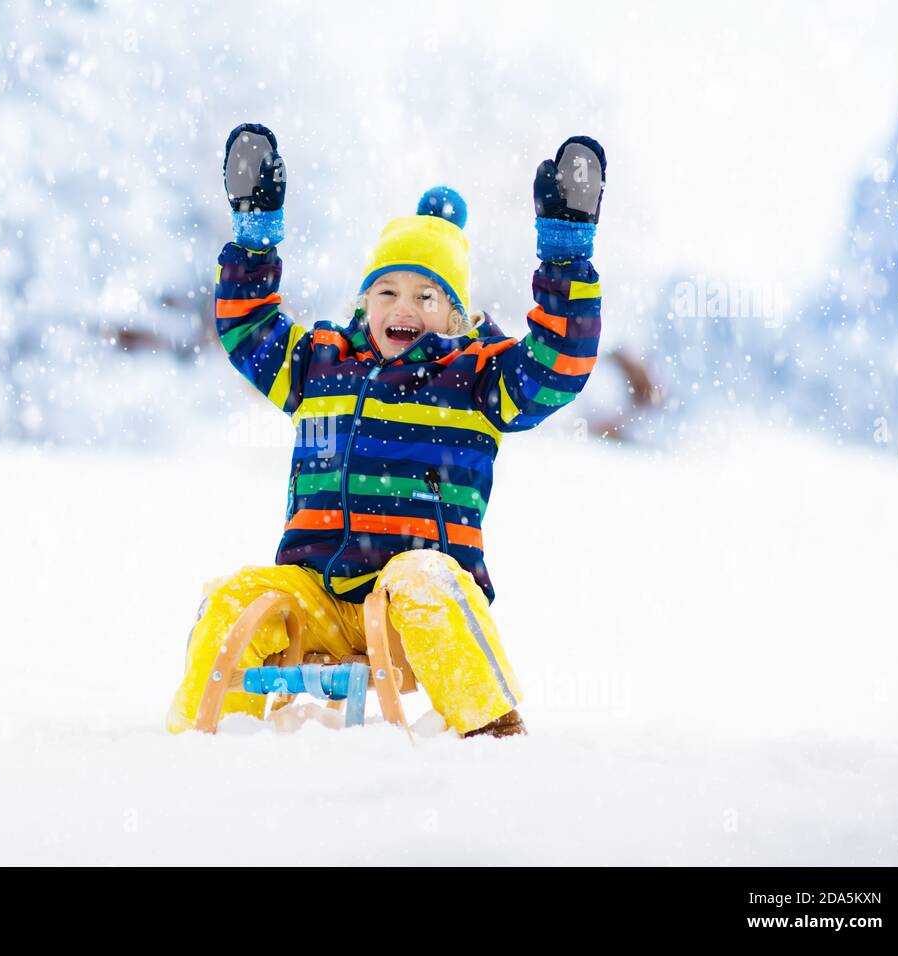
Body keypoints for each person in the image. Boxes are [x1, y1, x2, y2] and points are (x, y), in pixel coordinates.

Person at [166, 123, 605, 738]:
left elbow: (559, 364)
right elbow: (247, 329)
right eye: (388, 290)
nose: (405, 308)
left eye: (429, 296)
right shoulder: (319, 366)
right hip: (317, 595)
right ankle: (202, 742)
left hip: (411, 614)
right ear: (364, 301)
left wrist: (565, 259)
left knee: (422, 576)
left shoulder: (476, 378)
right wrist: (254, 239)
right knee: (233, 598)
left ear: (456, 314)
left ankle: (493, 731)